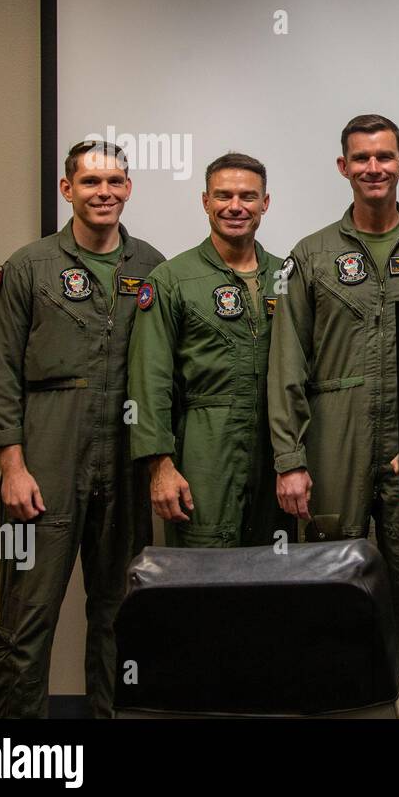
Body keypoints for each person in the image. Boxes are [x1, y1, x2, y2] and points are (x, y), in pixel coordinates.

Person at [267, 114, 399, 716]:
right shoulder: (311, 254)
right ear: (344, 167)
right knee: (328, 584)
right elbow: (287, 363)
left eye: (384, 157)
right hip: (333, 439)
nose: (374, 167)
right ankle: (333, 706)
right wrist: (290, 459)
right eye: (361, 158)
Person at [0, 139, 165, 717]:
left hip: (124, 459)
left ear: (129, 188)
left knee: (119, 614)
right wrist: (12, 466)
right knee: (28, 615)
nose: (103, 193)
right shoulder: (30, 267)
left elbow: (161, 371)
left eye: (114, 182)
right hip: (47, 460)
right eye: (90, 183)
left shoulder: (151, 266)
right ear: (67, 190)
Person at [128, 151, 292, 548]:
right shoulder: (172, 279)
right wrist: (160, 466)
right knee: (203, 576)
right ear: (205, 202)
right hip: (204, 452)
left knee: (273, 577)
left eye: (248, 196)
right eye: (223, 196)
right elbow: (149, 379)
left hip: (273, 457)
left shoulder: (286, 277)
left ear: (265, 204)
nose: (235, 207)